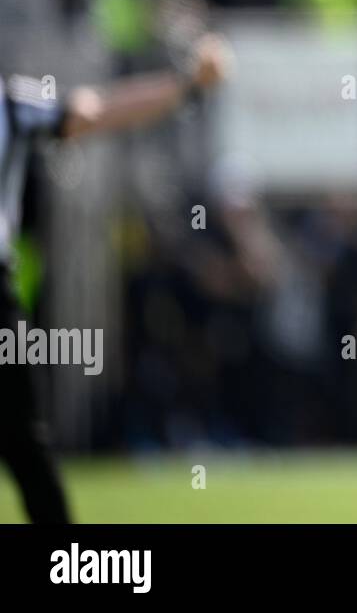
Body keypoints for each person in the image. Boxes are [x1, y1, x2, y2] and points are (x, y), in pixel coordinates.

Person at [0, 33, 230, 523]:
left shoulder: (15, 105)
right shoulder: (13, 104)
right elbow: (98, 110)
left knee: (21, 438)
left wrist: (186, 86)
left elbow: (99, 109)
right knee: (22, 441)